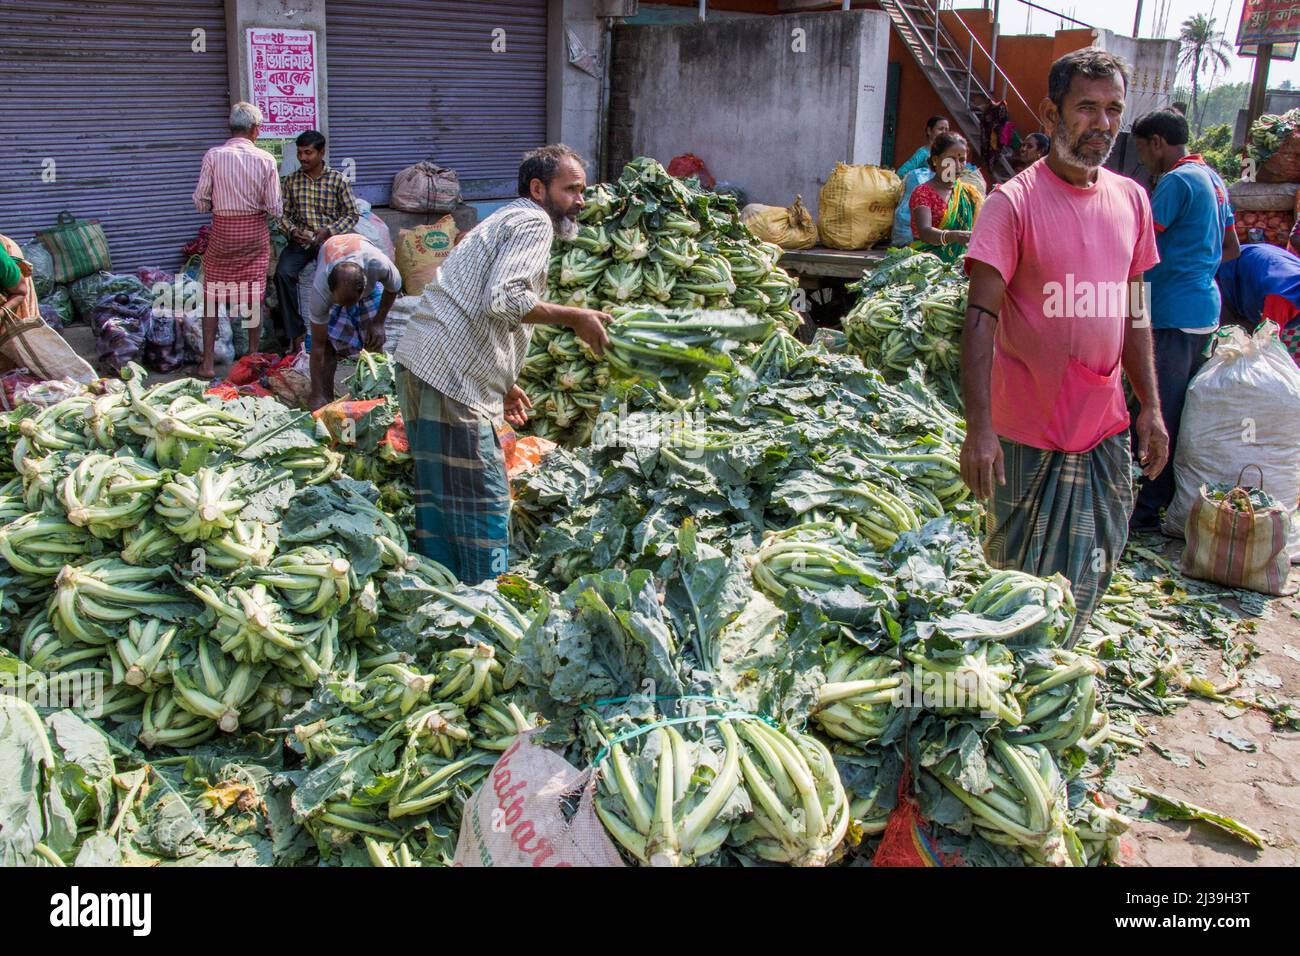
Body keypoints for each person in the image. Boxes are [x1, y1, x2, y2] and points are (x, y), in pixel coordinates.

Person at [959, 48, 1166, 646]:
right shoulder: (1012, 203)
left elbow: (1135, 310)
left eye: (1113, 110)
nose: (1102, 123)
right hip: (1026, 428)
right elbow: (979, 319)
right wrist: (979, 428)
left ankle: (1055, 664)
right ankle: (1010, 683)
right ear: (1051, 114)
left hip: (1102, 421)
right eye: (1087, 108)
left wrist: (1150, 404)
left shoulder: (1132, 199)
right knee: (1015, 578)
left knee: (1094, 559)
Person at [394, 144, 611, 584]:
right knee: (485, 499)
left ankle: (440, 592)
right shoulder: (533, 221)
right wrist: (576, 318)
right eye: (571, 190)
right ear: (538, 188)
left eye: (582, 190)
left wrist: (502, 380)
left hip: (424, 362)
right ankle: (490, 600)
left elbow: (474, 299)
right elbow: (505, 299)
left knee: (438, 496)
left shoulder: (501, 218)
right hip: (450, 376)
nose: (581, 200)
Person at [1129, 108, 1240, 532]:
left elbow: (1139, 242)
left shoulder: (1176, 181)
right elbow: (1230, 249)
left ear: (1157, 142)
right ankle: (1159, 498)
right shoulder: (1214, 180)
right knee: (1173, 407)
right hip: (1203, 309)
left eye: (1142, 148)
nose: (1143, 157)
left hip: (1172, 312)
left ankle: (1144, 508)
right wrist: (1196, 261)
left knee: (1159, 410)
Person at [193, 102, 282, 378]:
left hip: (222, 233)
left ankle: (207, 363)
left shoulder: (214, 155)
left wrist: (219, 206)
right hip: (254, 236)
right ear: (255, 129)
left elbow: (200, 201)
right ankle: (252, 360)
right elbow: (275, 208)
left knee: (212, 296)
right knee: (254, 296)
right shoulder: (266, 159)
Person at [274, 130, 361, 352]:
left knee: (344, 278)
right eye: (300, 153)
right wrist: (293, 231)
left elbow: (352, 214)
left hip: (331, 242)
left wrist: (328, 231)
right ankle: (296, 334)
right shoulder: (292, 181)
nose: (303, 158)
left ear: (321, 152)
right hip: (301, 242)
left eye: (308, 153)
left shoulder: (338, 180)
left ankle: (346, 335)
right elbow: (282, 215)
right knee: (283, 274)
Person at [306, 233, 403, 409]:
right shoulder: (321, 291)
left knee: (373, 340)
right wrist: (316, 393)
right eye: (341, 302)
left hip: (364, 280)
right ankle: (326, 400)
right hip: (332, 254)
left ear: (363, 289)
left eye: (349, 303)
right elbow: (317, 346)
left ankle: (375, 398)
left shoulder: (378, 264)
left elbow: (394, 287)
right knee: (328, 345)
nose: (346, 308)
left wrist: (379, 322)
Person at [1217, 242, 1300, 366]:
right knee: (1233, 349)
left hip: (1259, 269)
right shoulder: (1282, 299)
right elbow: (1265, 342)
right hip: (1230, 273)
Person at [909, 132, 983, 263]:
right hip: (926, 266)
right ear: (935, 160)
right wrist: (953, 236)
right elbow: (925, 232)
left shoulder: (969, 194)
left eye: (961, 160)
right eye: (951, 159)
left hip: (960, 266)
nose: (957, 165)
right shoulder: (923, 193)